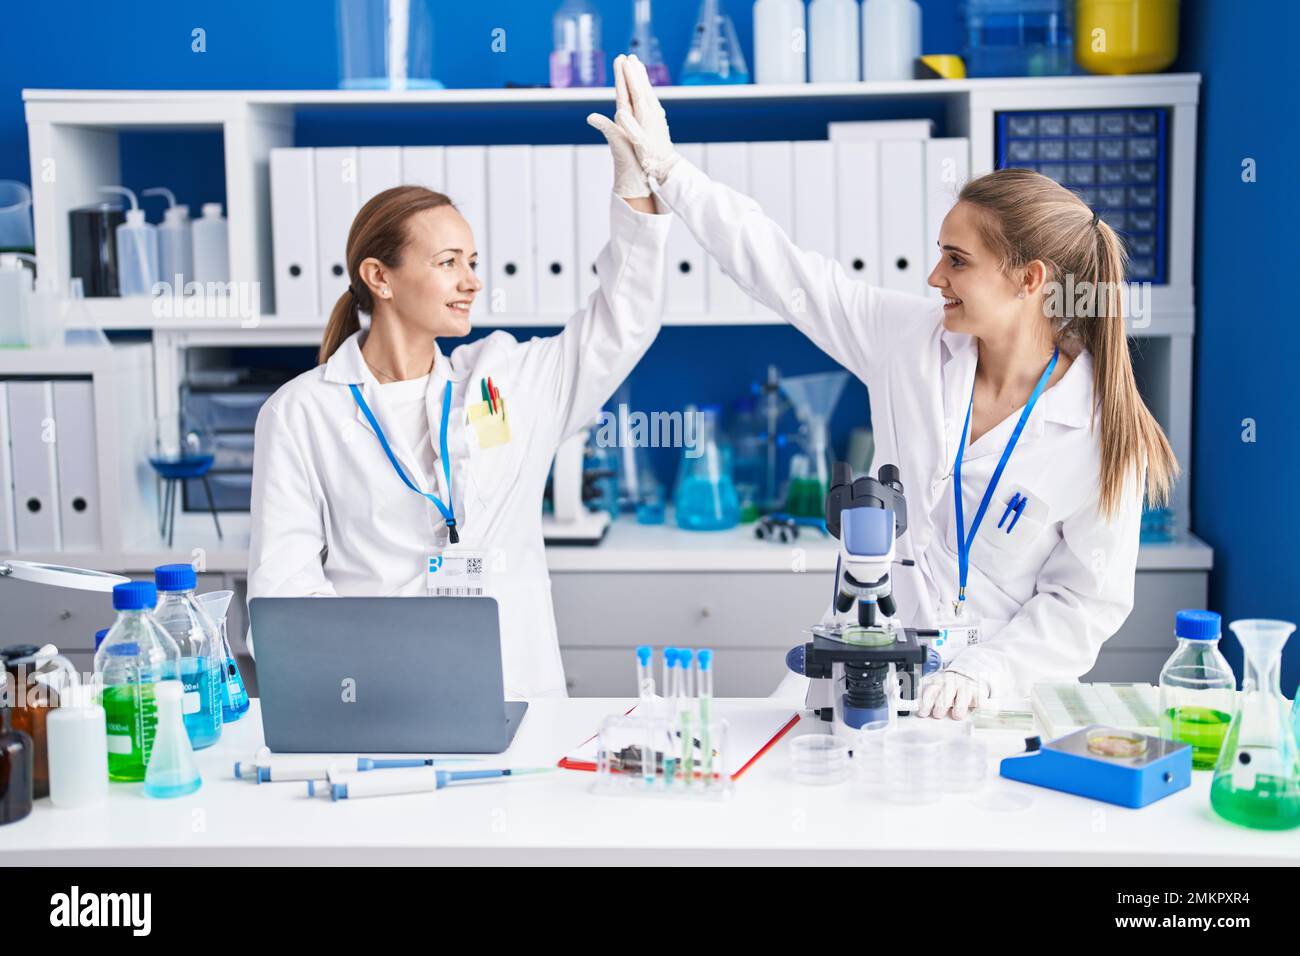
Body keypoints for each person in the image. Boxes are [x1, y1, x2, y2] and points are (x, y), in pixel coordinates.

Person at [605, 55, 1178, 718]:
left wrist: (984, 674)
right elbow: (781, 268)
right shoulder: (909, 340)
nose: (935, 277)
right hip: (860, 654)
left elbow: (1085, 602)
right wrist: (669, 170)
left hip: (990, 703)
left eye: (957, 260)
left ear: (1030, 280)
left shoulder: (1104, 431)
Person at [247, 55, 671, 698]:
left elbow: (626, 319)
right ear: (378, 277)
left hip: (517, 697)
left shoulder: (504, 381)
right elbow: (285, 597)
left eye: (472, 261)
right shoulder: (301, 413)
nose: (472, 281)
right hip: (380, 705)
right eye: (448, 262)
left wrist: (637, 187)